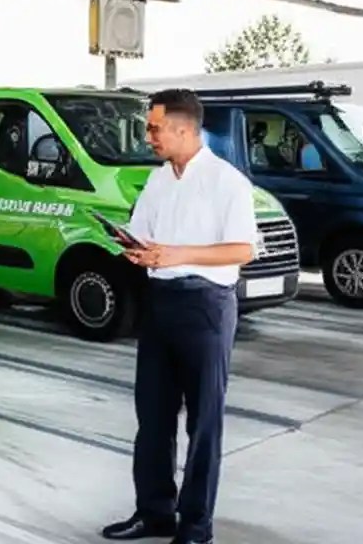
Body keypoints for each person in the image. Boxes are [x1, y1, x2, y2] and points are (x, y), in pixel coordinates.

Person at [102, 89, 258, 544]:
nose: (148, 136)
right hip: (160, 302)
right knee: (152, 417)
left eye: (154, 128)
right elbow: (143, 233)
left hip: (205, 306)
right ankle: (154, 513)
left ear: (184, 129)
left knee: (203, 423)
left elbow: (243, 249)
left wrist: (177, 254)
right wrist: (136, 250)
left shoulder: (228, 182)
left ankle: (195, 527)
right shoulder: (158, 180)